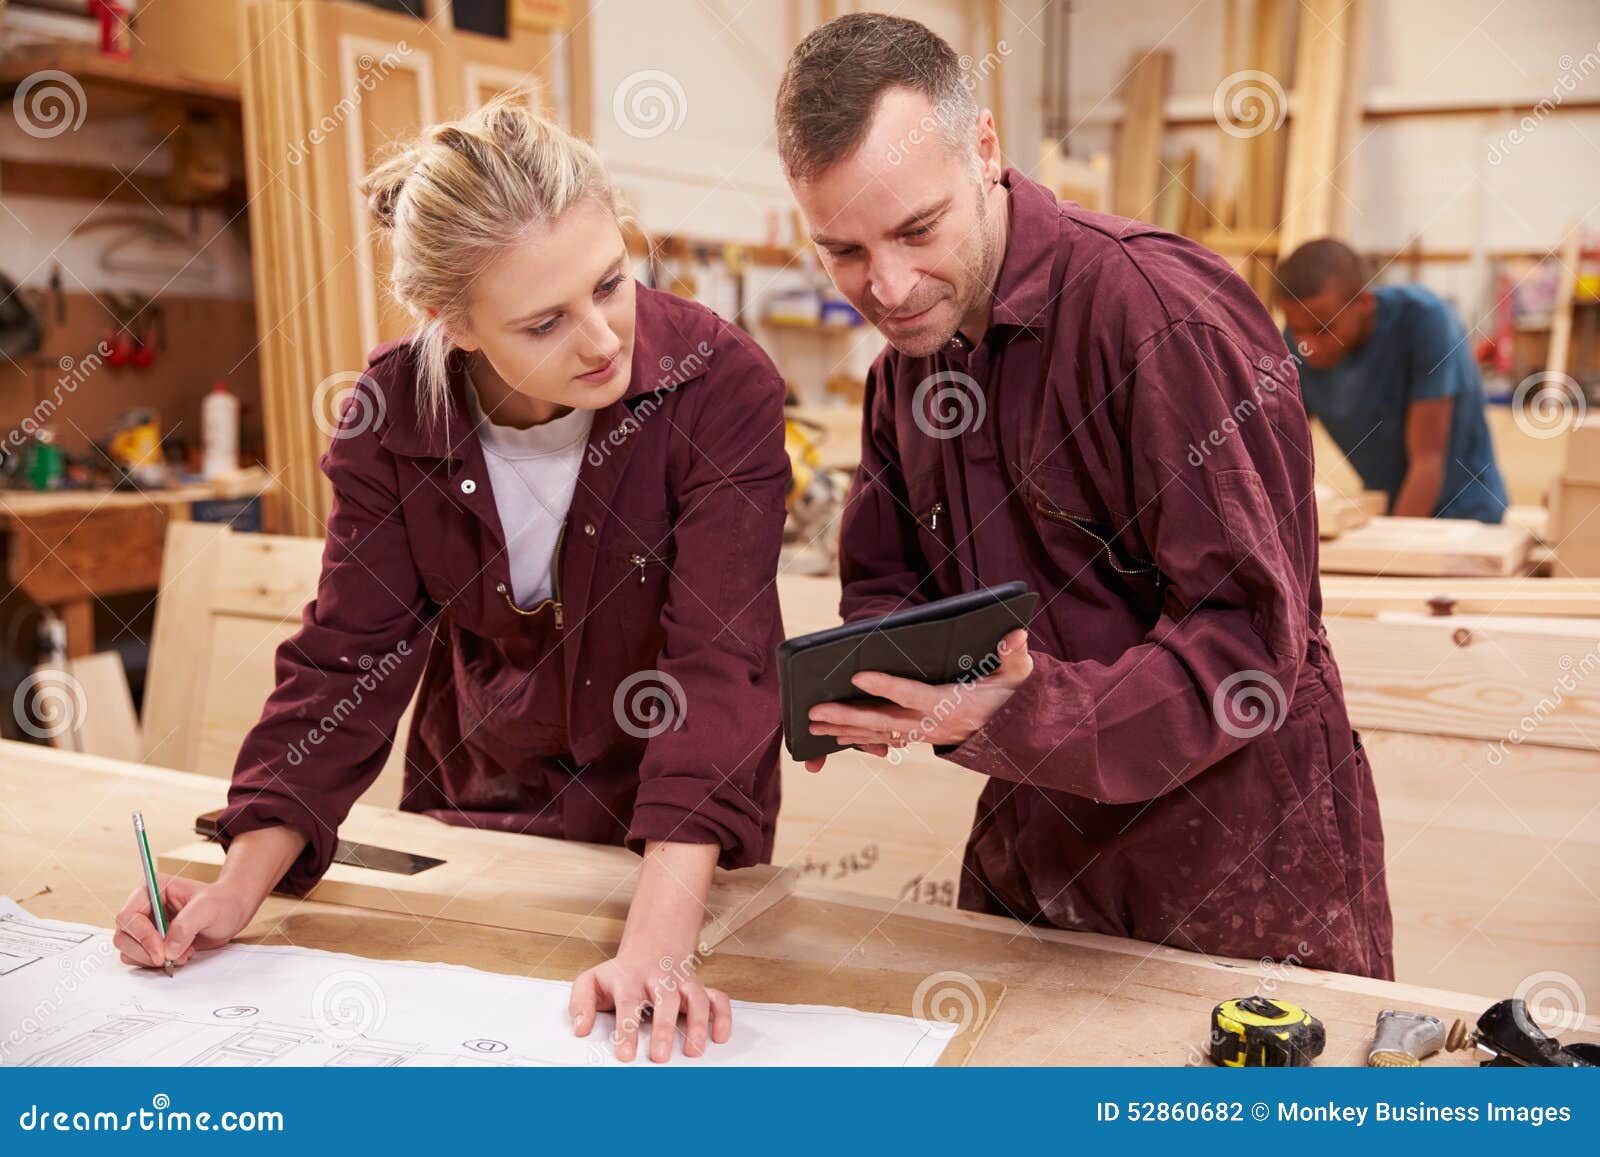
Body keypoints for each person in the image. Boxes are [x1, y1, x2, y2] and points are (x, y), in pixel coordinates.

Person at [112, 92, 791, 1062]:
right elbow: (348, 660)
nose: (602, 340)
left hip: (683, 847)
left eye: (610, 282)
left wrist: (656, 949)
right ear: (452, 322)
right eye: (545, 321)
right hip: (479, 816)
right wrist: (237, 881)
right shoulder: (389, 411)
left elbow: (718, 662)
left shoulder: (719, 385)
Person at [776, 13, 1393, 978]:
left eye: (915, 229)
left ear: (985, 150)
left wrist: (1016, 710)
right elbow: (889, 580)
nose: (888, 287)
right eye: (843, 252)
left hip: (1234, 872)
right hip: (1035, 854)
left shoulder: (1158, 315)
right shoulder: (908, 366)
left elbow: (1247, 646)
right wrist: (883, 683)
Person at [1275, 237, 1508, 522]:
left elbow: (1428, 462)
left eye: (1323, 329)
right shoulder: (1297, 343)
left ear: (1363, 302)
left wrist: (1390, 552)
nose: (1308, 345)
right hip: (1387, 511)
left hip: (1464, 517)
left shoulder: (1425, 321)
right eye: (1296, 329)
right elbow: (1279, 450)